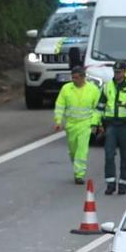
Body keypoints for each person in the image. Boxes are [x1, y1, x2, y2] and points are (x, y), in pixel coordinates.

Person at [52, 57, 103, 185]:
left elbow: (98, 108)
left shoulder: (93, 90)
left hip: (86, 124)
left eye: (76, 77)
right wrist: (58, 121)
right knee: (73, 151)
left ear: (83, 77)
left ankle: (79, 174)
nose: (73, 80)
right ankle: (76, 167)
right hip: (71, 124)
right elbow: (60, 105)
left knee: (82, 150)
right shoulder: (66, 89)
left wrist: (97, 123)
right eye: (72, 77)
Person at [99, 59, 126, 194]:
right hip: (111, 125)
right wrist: (96, 123)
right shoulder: (107, 86)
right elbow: (100, 107)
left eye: (119, 72)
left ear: (124, 72)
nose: (117, 74)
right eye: (115, 72)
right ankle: (110, 184)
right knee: (109, 154)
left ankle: (123, 184)